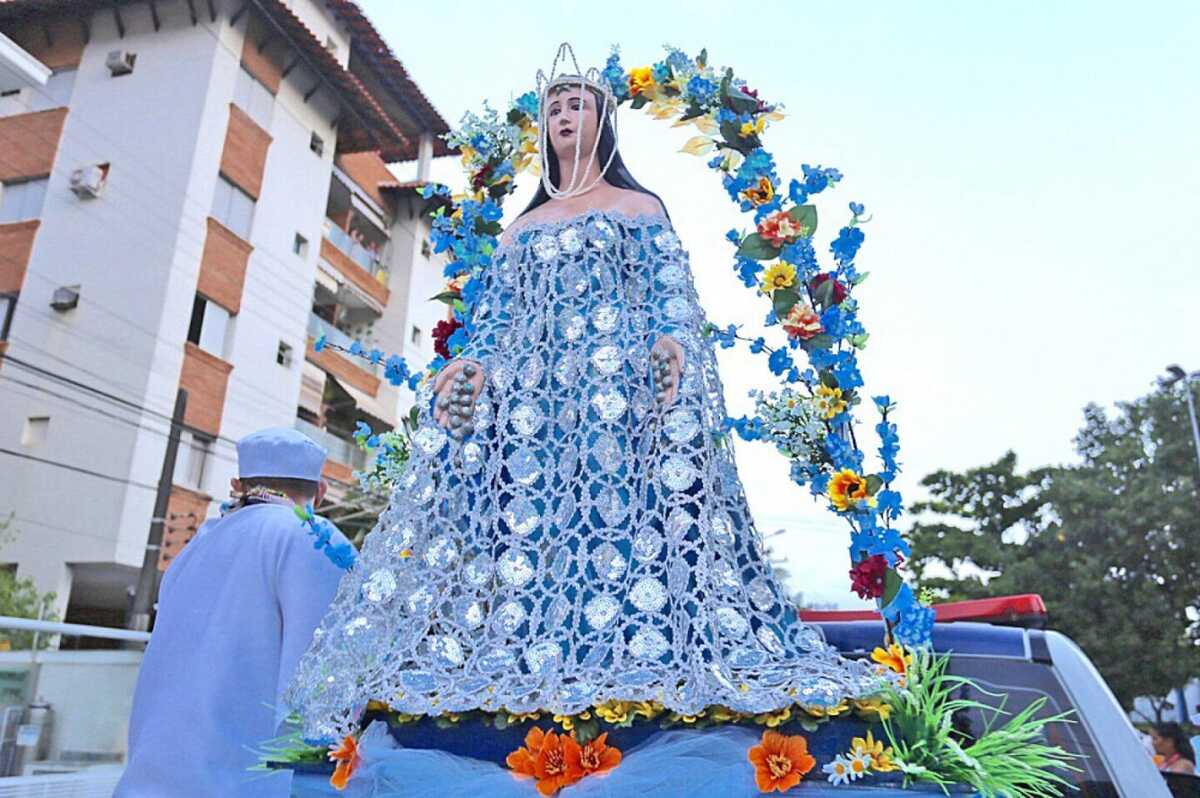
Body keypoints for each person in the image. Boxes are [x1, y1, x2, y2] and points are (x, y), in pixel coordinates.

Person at [284, 48, 881, 750]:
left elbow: (670, 299)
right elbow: (497, 322)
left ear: (605, 122)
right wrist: (469, 365)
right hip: (536, 418)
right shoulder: (520, 228)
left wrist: (669, 349)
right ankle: (535, 659)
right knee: (534, 539)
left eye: (579, 105)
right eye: (555, 108)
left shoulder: (638, 208)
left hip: (620, 409)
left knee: (622, 530)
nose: (566, 116)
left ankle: (635, 659)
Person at [115, 427, 354, 797]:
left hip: (150, 780)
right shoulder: (314, 537)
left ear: (237, 484)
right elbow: (325, 683)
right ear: (320, 491)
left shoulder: (194, 546)